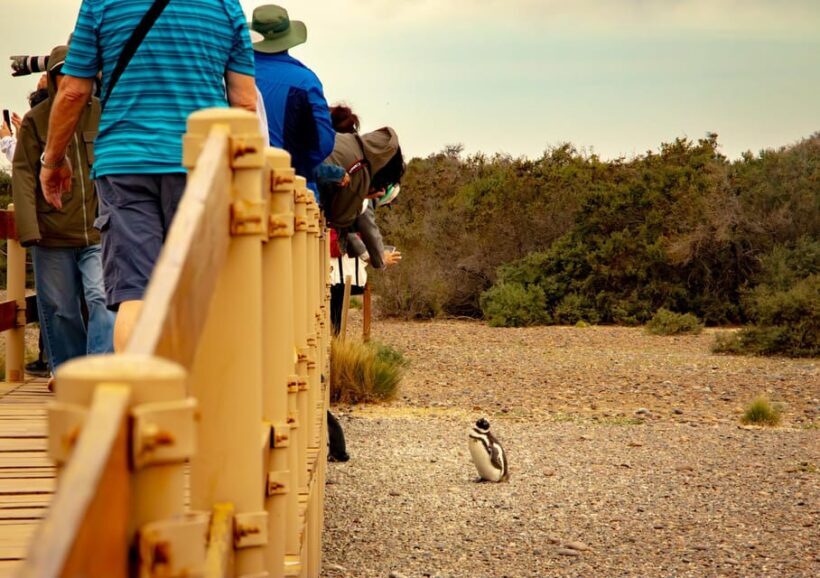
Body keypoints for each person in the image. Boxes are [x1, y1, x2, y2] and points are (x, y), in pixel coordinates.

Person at [39, 0, 257, 351]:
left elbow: (74, 90)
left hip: (126, 163)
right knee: (199, 293)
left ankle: (141, 401)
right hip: (200, 165)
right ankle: (200, 400)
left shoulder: (101, 3)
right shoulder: (224, 5)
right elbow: (245, 102)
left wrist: (52, 160)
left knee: (135, 294)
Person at [12, 45, 114, 379]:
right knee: (60, 310)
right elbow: (25, 174)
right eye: (61, 73)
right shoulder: (35, 122)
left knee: (102, 298)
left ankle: (96, 374)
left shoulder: (104, 112)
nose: (70, 79)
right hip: (51, 234)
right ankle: (69, 376)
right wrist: (29, 230)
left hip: (99, 230)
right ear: (53, 78)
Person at [250, 4, 335, 200]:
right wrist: (297, 164)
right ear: (288, 38)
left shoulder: (232, 73)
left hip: (241, 184)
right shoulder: (305, 81)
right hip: (290, 188)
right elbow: (323, 142)